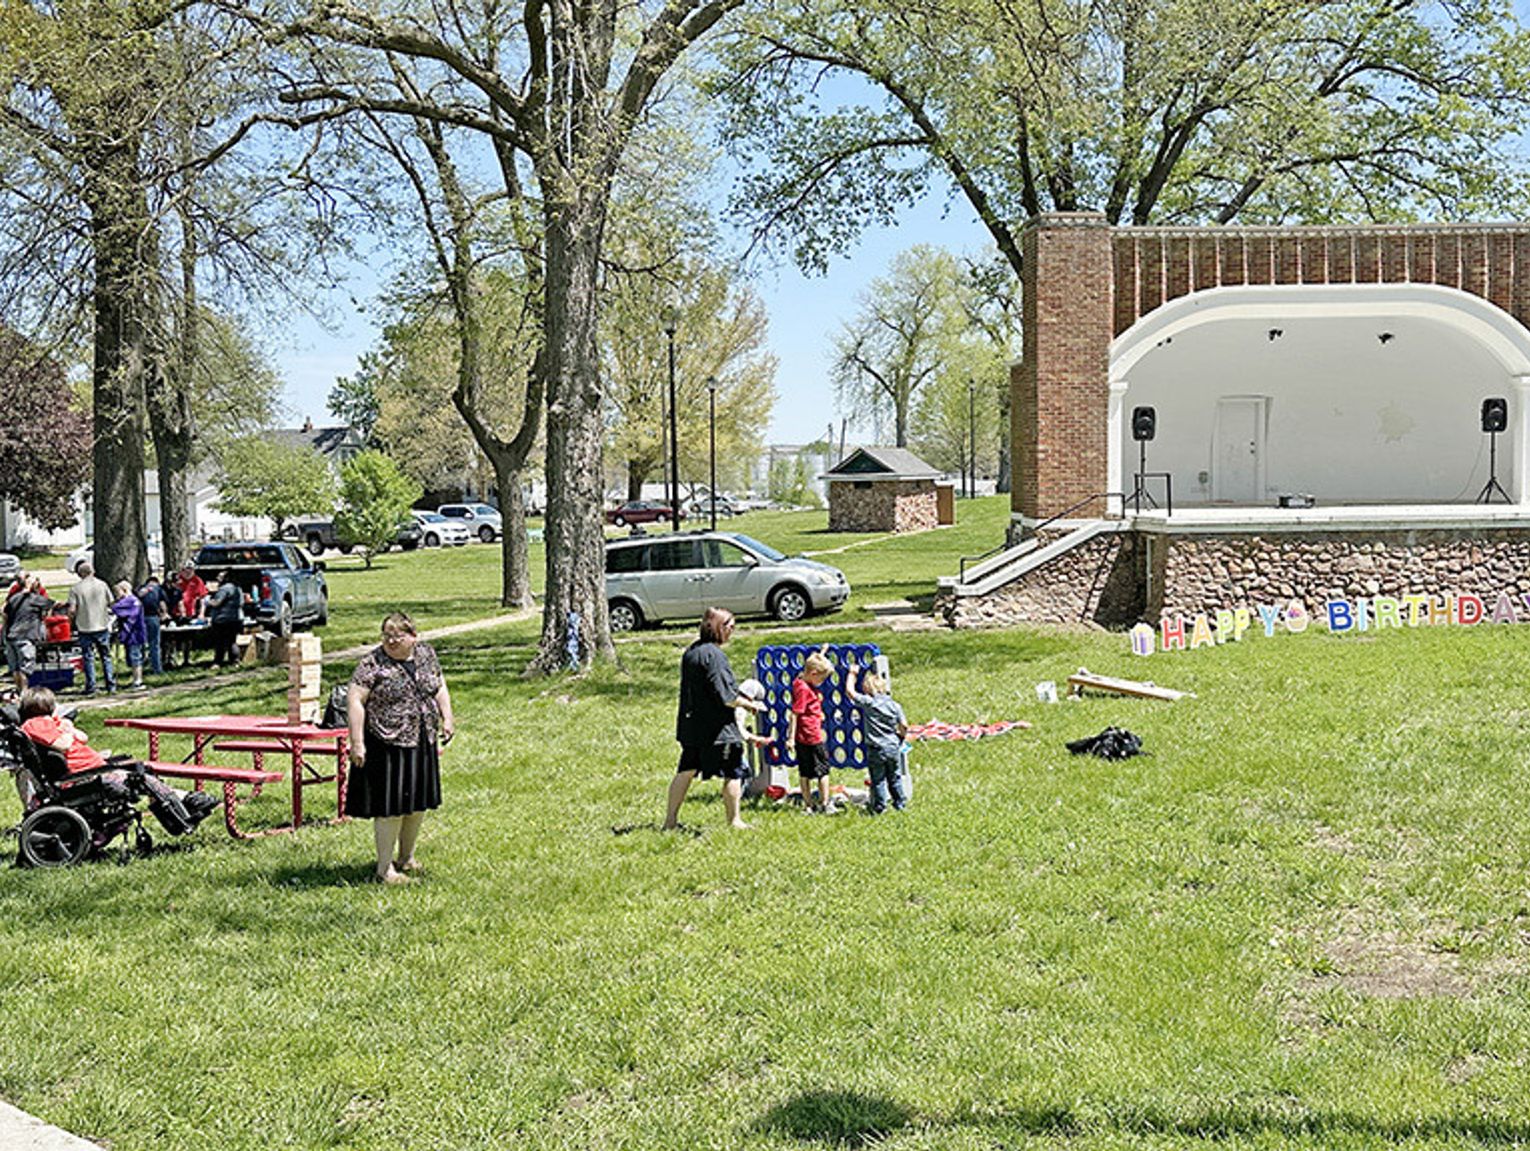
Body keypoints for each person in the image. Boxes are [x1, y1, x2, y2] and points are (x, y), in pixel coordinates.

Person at [346, 612, 454, 884]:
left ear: (413, 637)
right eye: (387, 636)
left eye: (397, 636)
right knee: (391, 806)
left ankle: (406, 857)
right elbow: (355, 700)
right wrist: (357, 742)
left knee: (416, 803)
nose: (391, 641)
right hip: (386, 742)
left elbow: (439, 685)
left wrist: (447, 716)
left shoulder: (426, 654)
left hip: (421, 738)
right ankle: (384, 869)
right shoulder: (372, 663)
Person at [17, 686, 215, 833]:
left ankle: (185, 803)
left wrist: (67, 727)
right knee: (140, 779)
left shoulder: (49, 722)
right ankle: (185, 811)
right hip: (83, 778)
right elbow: (64, 745)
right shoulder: (35, 724)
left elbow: (82, 737)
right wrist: (65, 731)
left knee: (142, 772)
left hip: (94, 771)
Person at [664, 607, 764, 831]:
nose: (732, 631)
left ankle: (670, 821)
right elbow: (727, 697)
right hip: (717, 730)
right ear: (720, 627)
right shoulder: (715, 656)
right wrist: (751, 704)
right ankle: (735, 820)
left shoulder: (692, 651)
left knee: (685, 771)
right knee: (733, 772)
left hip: (692, 726)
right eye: (731, 627)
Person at [844, 657, 909, 814]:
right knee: (895, 777)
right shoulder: (895, 705)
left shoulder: (870, 703)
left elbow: (850, 692)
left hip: (876, 748)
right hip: (893, 746)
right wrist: (900, 736)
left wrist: (852, 674)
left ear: (868, 690)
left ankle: (880, 807)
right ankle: (900, 804)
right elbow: (904, 725)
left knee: (878, 780)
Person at [786, 646, 835, 813]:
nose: (821, 683)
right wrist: (790, 738)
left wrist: (821, 653)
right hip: (811, 736)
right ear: (814, 674)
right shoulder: (804, 690)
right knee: (823, 771)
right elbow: (795, 714)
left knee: (805, 772)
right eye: (821, 679)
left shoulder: (800, 680)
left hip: (802, 737)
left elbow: (811, 667)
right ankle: (825, 803)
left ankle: (808, 805)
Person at [67, 561, 115, 695]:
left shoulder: (75, 589)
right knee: (106, 656)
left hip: (84, 627)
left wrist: (71, 622)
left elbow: (72, 610)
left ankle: (91, 686)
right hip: (101, 625)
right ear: (92, 571)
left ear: (79, 574)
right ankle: (110, 684)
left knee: (88, 657)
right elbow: (111, 602)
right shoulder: (102, 584)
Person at [4, 575, 51, 694]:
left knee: (15, 668)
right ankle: (25, 693)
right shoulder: (34, 598)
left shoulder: (13, 598)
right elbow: (51, 605)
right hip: (25, 636)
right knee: (25, 668)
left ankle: (20, 692)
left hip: (11, 636)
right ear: (29, 584)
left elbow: (5, 613)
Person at [201, 571, 245, 667]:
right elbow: (242, 602)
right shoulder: (238, 588)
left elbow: (217, 602)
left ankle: (218, 662)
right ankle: (235, 661)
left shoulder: (224, 589)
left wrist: (207, 601)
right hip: (237, 619)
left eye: (220, 576)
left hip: (223, 619)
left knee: (220, 642)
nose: (217, 578)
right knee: (232, 641)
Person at [110, 580, 147, 689]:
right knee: (132, 657)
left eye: (118, 593)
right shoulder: (131, 601)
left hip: (134, 634)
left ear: (125, 590)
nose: (117, 596)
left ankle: (138, 681)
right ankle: (136, 679)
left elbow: (115, 608)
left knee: (135, 657)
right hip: (130, 634)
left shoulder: (131, 601)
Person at [136, 575, 169, 676]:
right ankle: (157, 670)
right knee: (154, 645)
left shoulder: (140, 588)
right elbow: (162, 603)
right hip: (153, 617)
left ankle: (138, 670)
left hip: (140, 618)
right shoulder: (158, 589)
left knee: (140, 645)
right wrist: (164, 614)